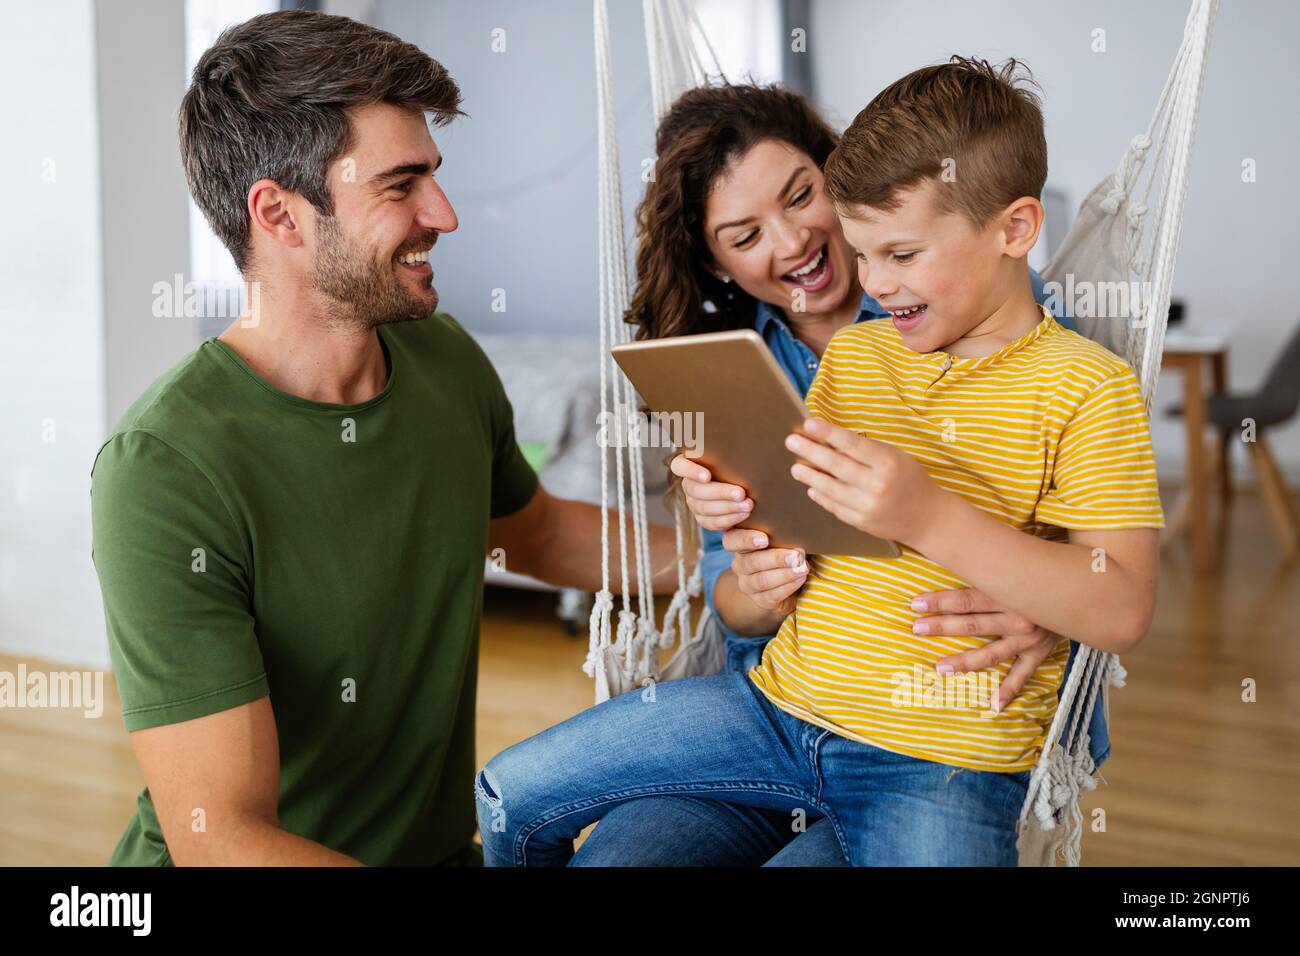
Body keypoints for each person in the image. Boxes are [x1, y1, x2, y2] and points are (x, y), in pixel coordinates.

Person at [477, 56, 1163, 867]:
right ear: (717, 264)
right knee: (511, 794)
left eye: (804, 197)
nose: (863, 274)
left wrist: (971, 545)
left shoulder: (1074, 372)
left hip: (939, 751)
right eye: (745, 235)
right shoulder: (836, 361)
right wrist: (747, 557)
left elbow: (1114, 599)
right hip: (774, 703)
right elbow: (737, 604)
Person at [90, 9, 682, 867]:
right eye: (401, 185)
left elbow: (536, 533)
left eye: (433, 176)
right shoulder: (164, 469)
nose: (443, 213)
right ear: (281, 215)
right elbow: (222, 839)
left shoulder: (442, 358)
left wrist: (740, 561)